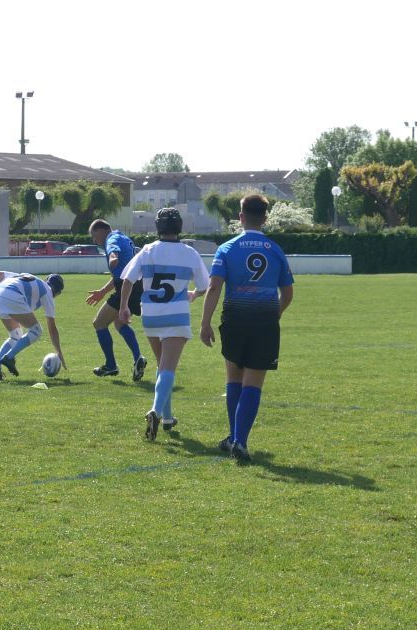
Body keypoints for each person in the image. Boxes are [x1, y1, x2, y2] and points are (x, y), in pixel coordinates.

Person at [199, 193, 294, 462]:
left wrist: (205, 323)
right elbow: (287, 295)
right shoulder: (275, 250)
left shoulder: (226, 249)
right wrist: (273, 314)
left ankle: (234, 437)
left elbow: (215, 286)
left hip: (234, 320)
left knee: (233, 378)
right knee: (253, 382)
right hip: (265, 322)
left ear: (240, 217)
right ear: (265, 219)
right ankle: (239, 440)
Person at [119, 207, 210, 442]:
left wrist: (124, 307)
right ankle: (156, 411)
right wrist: (193, 295)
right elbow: (204, 285)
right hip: (176, 313)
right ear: (179, 228)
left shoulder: (147, 250)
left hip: (150, 314)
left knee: (162, 366)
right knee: (168, 368)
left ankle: (168, 418)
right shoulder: (189, 253)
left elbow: (128, 279)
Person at [84, 219, 147, 381]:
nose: (94, 240)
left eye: (94, 236)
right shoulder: (124, 238)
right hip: (135, 286)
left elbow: (114, 254)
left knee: (99, 323)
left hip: (125, 289)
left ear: (101, 230)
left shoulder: (111, 240)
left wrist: (112, 258)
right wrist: (103, 291)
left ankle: (111, 366)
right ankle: (138, 358)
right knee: (120, 323)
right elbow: (123, 272)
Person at [0, 271, 65, 380]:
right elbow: (52, 327)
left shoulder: (30, 278)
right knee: (36, 331)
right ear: (57, 292)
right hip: (12, 295)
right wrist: (59, 352)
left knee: (15, 336)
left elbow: (1, 274)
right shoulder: (48, 292)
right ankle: (9, 357)